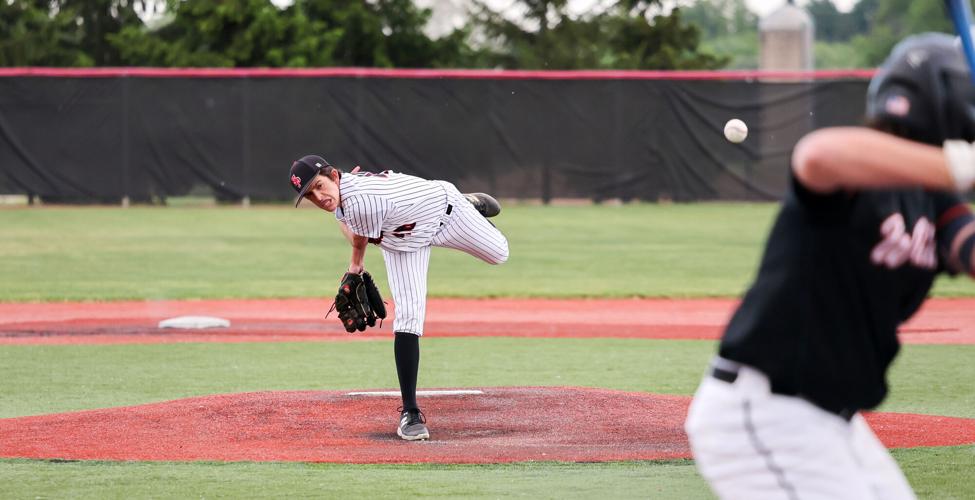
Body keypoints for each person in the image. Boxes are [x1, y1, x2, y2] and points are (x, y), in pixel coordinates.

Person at [684, 33, 975, 499]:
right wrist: (963, 163)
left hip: (834, 420)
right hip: (767, 409)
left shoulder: (936, 201)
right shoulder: (853, 173)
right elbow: (818, 155)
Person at [289, 155, 509, 441]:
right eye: (310, 195)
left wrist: (355, 267)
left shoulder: (359, 200)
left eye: (320, 185)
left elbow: (359, 238)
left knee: (499, 254)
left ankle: (469, 203)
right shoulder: (344, 199)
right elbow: (352, 224)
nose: (319, 197)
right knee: (408, 318)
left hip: (445, 212)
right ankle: (411, 412)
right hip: (402, 243)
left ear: (334, 175)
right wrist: (341, 213)